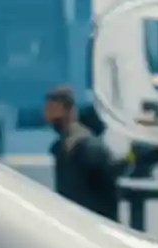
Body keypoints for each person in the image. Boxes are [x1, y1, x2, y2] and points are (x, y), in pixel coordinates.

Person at [43, 86, 122, 221]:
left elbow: (111, 173)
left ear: (68, 110)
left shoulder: (87, 146)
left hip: (95, 223)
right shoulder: (61, 147)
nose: (47, 117)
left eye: (52, 110)